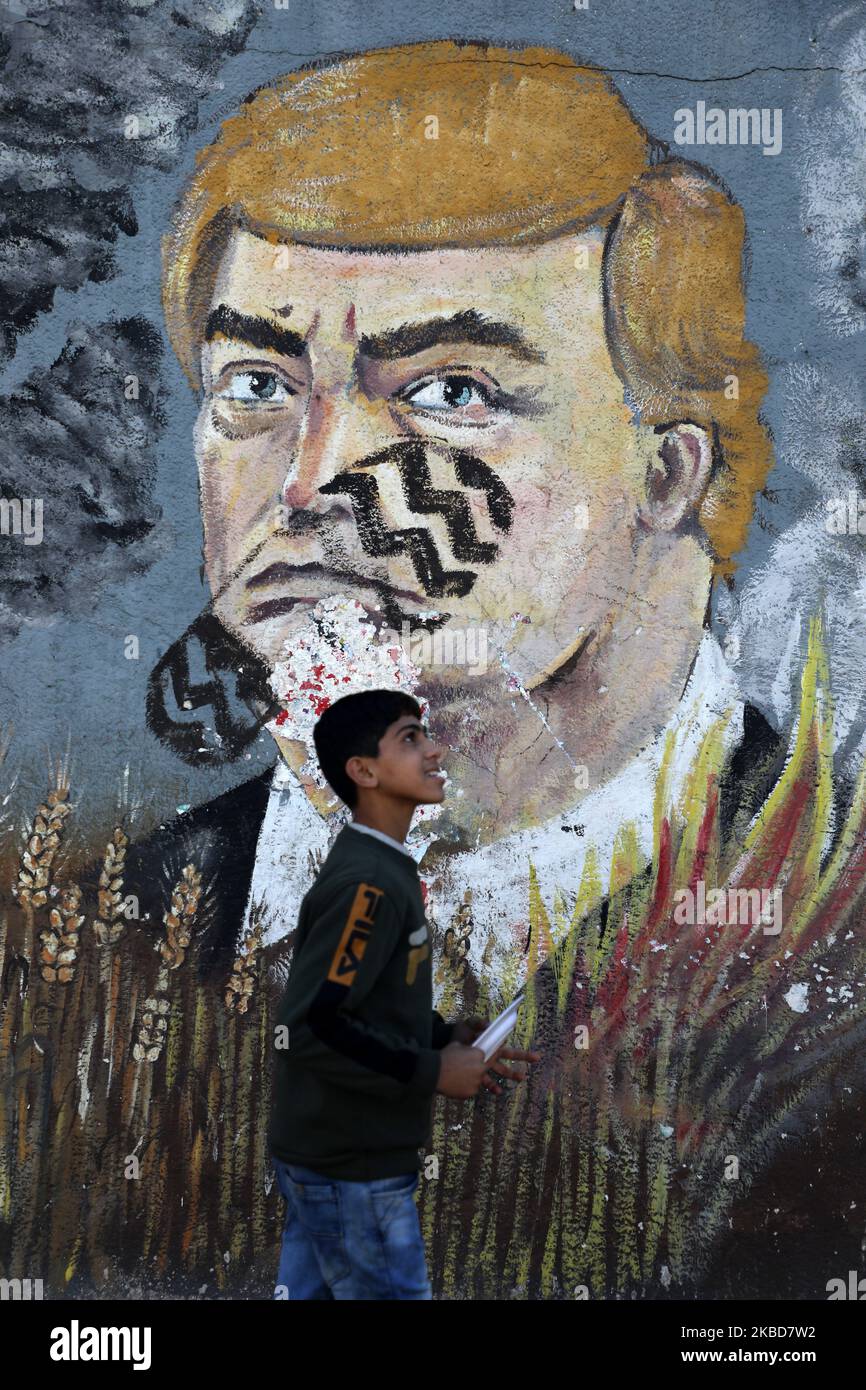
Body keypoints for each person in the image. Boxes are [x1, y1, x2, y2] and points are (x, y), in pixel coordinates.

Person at [268, 688, 540, 1299]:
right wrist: (431, 1070)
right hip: (353, 1168)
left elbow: (361, 1006)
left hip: (332, 1161)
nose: (434, 751)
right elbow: (314, 1026)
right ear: (363, 772)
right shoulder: (368, 882)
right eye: (410, 739)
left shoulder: (384, 866)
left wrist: (445, 1037)